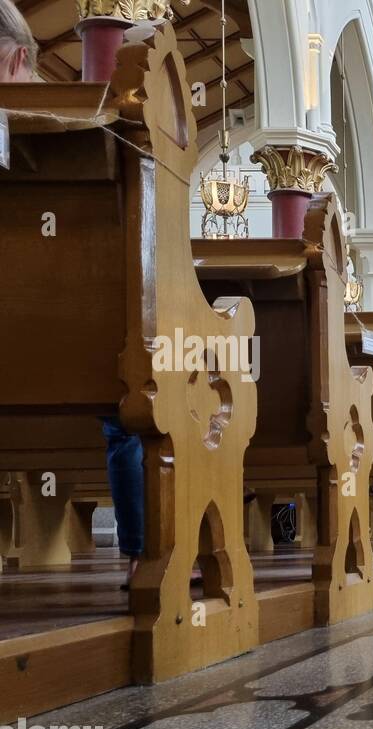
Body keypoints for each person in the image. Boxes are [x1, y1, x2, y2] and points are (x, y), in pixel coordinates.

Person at [1, 2, 145, 585]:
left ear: (14, 56)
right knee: (131, 403)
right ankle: (142, 556)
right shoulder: (97, 130)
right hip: (89, 360)